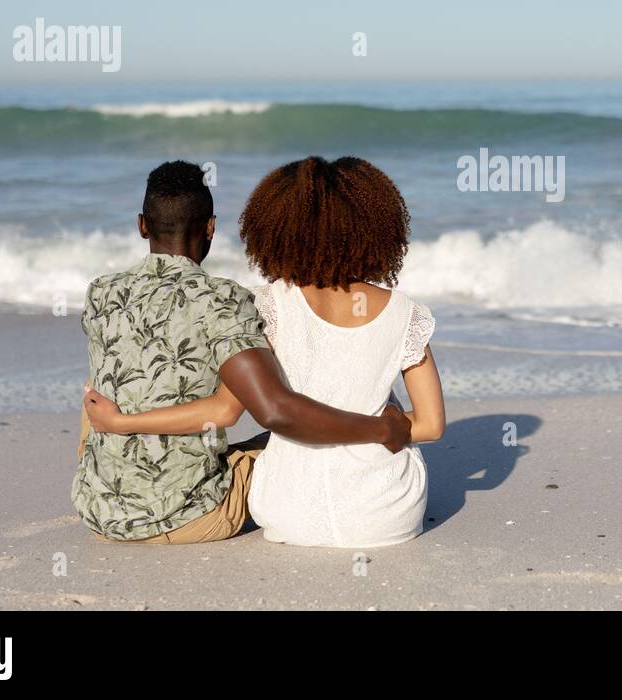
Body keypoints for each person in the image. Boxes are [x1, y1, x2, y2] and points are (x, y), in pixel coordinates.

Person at [85, 156, 445, 547]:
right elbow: (431, 426)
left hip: (279, 515)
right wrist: (382, 426)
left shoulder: (266, 305)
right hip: (386, 517)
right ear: (373, 230)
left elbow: (231, 408)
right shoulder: (405, 314)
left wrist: (122, 422)